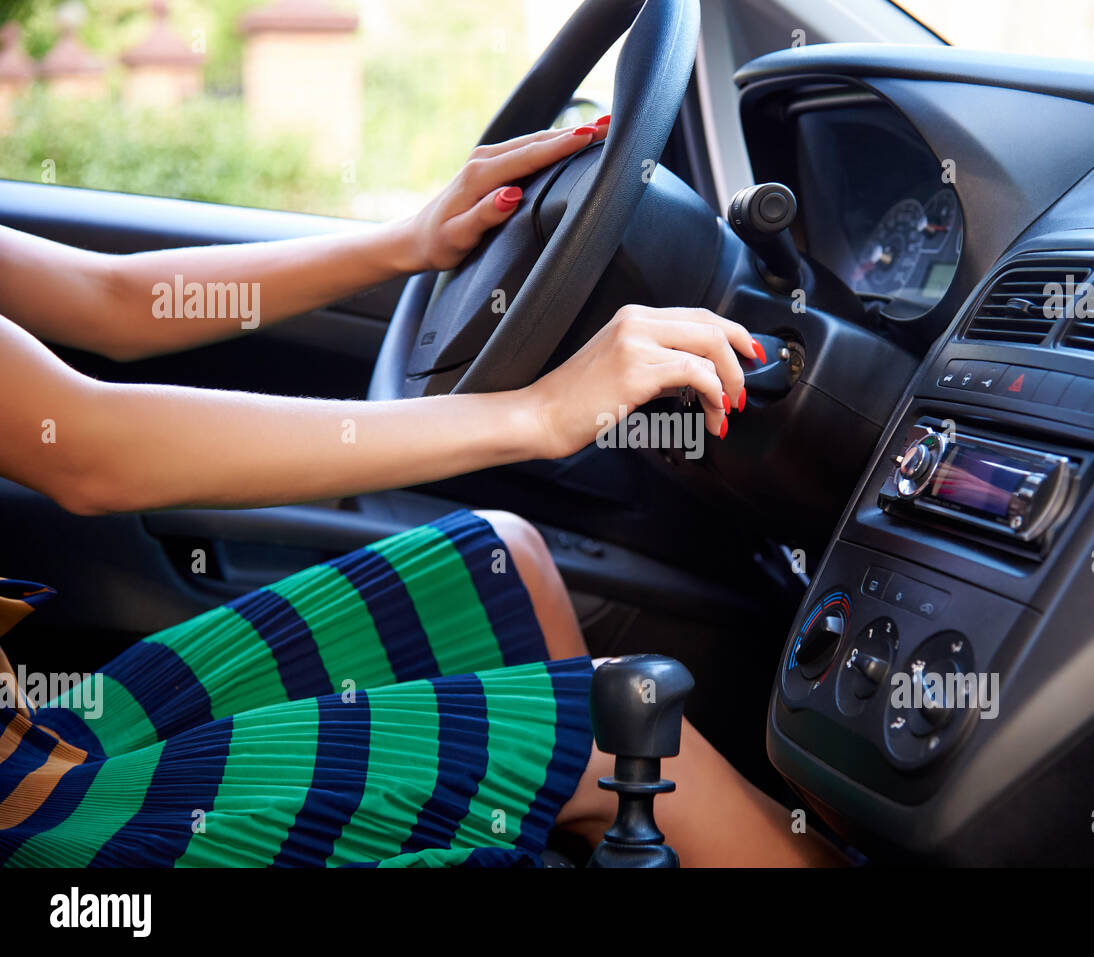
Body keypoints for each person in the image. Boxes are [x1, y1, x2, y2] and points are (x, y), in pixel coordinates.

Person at [0, 118, 842, 867]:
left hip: (31, 740)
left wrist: (405, 242)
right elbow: (84, 449)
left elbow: (104, 299)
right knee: (611, 731)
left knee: (496, 564)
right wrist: (534, 414)